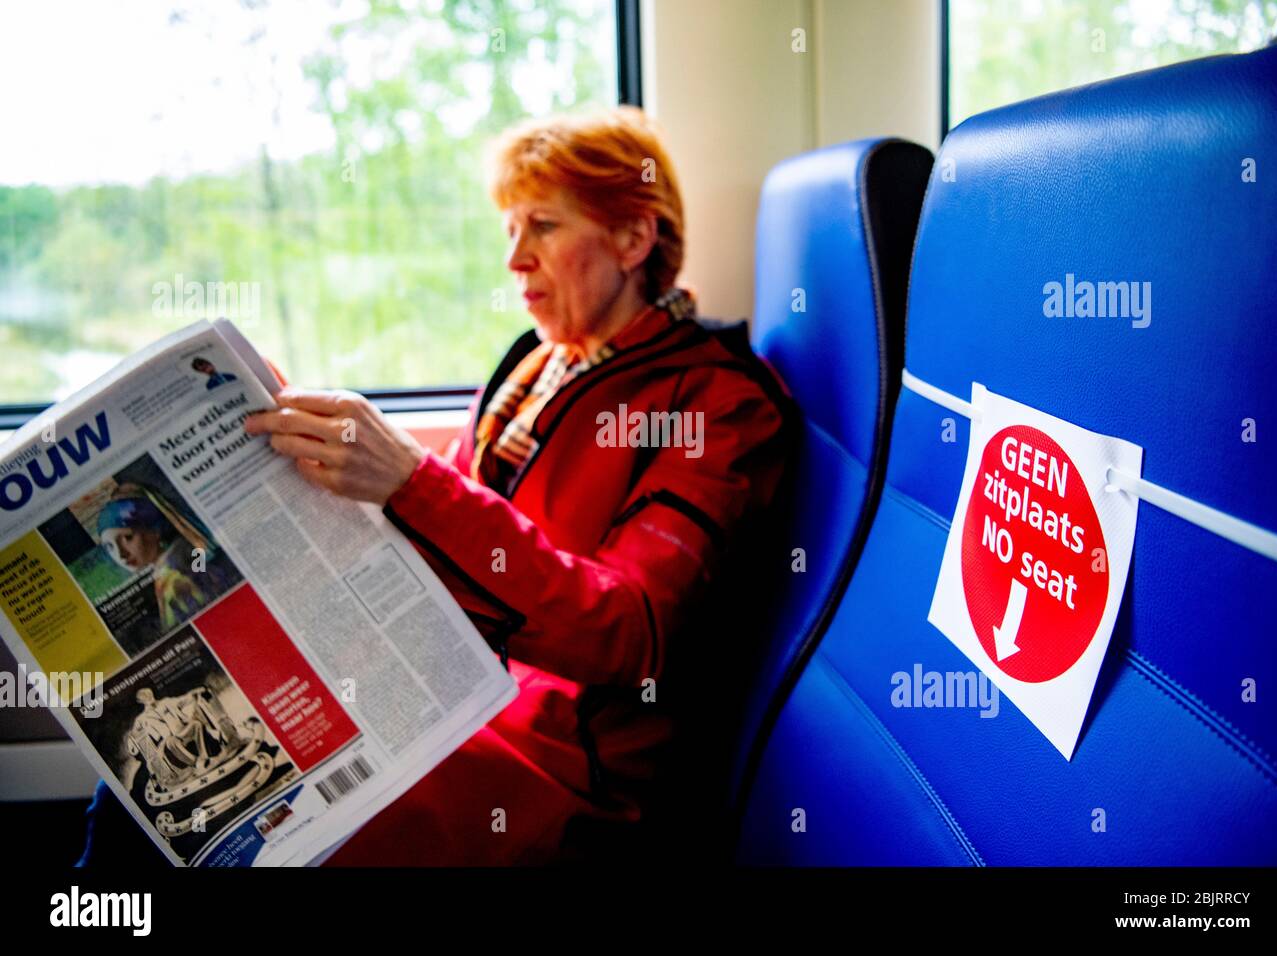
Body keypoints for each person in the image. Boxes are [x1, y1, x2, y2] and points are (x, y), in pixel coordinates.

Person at [78, 105, 794, 866]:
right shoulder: (535, 369)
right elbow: (436, 534)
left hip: (561, 758)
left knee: (248, 824)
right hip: (457, 685)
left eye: (544, 227)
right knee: (143, 795)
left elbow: (631, 632)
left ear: (631, 238)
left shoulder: (714, 405)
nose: (515, 259)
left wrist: (411, 482)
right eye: (509, 230)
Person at [96, 482, 241, 634]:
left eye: (128, 537)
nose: (121, 554)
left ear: (154, 530)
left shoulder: (173, 580)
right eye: (110, 547)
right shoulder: (185, 552)